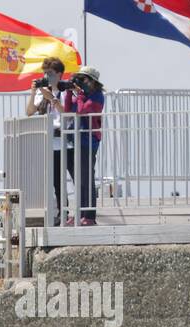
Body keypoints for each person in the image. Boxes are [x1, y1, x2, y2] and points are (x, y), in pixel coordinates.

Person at [26, 56, 74, 222]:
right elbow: (30, 111)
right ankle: (55, 212)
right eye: (45, 73)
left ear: (60, 74)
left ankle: (64, 212)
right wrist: (34, 92)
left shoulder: (66, 91)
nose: (47, 76)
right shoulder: (42, 90)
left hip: (62, 141)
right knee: (50, 180)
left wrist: (52, 98)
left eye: (51, 73)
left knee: (61, 180)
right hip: (47, 141)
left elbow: (66, 114)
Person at [64, 66, 105, 225]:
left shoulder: (97, 96)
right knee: (79, 180)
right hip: (77, 140)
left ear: (93, 81)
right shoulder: (84, 95)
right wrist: (68, 91)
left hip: (89, 142)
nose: (81, 81)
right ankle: (80, 213)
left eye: (84, 78)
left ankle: (89, 217)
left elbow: (82, 111)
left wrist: (79, 95)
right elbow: (69, 109)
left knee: (87, 178)